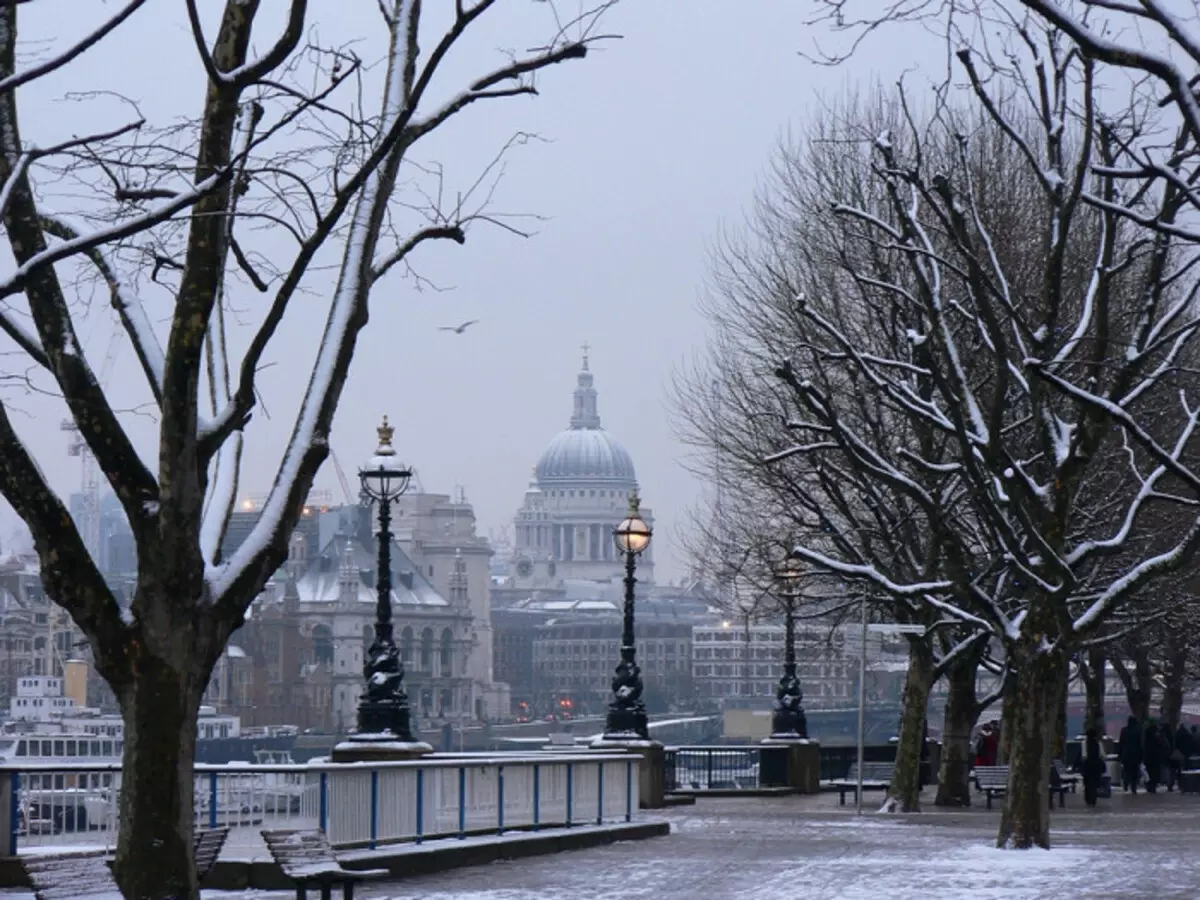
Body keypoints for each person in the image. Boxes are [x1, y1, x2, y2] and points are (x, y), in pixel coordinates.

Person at [1075, 727, 1106, 807]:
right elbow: (1102, 755)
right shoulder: (1098, 743)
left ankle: (1088, 799)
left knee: (1087, 784)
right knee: (1094, 784)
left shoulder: (1084, 743)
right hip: (1096, 767)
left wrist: (1075, 766)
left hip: (1087, 767)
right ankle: (1093, 799)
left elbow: (1080, 755)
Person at [1118, 715, 1143, 793]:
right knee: (1134, 772)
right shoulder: (1138, 731)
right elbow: (1140, 744)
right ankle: (1133, 787)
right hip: (1135, 754)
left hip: (1126, 754)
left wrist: (1120, 753)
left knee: (1126, 770)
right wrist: (1141, 755)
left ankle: (1125, 784)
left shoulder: (1124, 730)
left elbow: (1121, 743)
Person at [1144, 721, 1163, 793]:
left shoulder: (1147, 734)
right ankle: (1153, 786)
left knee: (1149, 772)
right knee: (1155, 772)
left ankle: (1150, 785)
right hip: (1156, 756)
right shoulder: (1157, 734)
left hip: (1148, 756)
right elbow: (1160, 744)